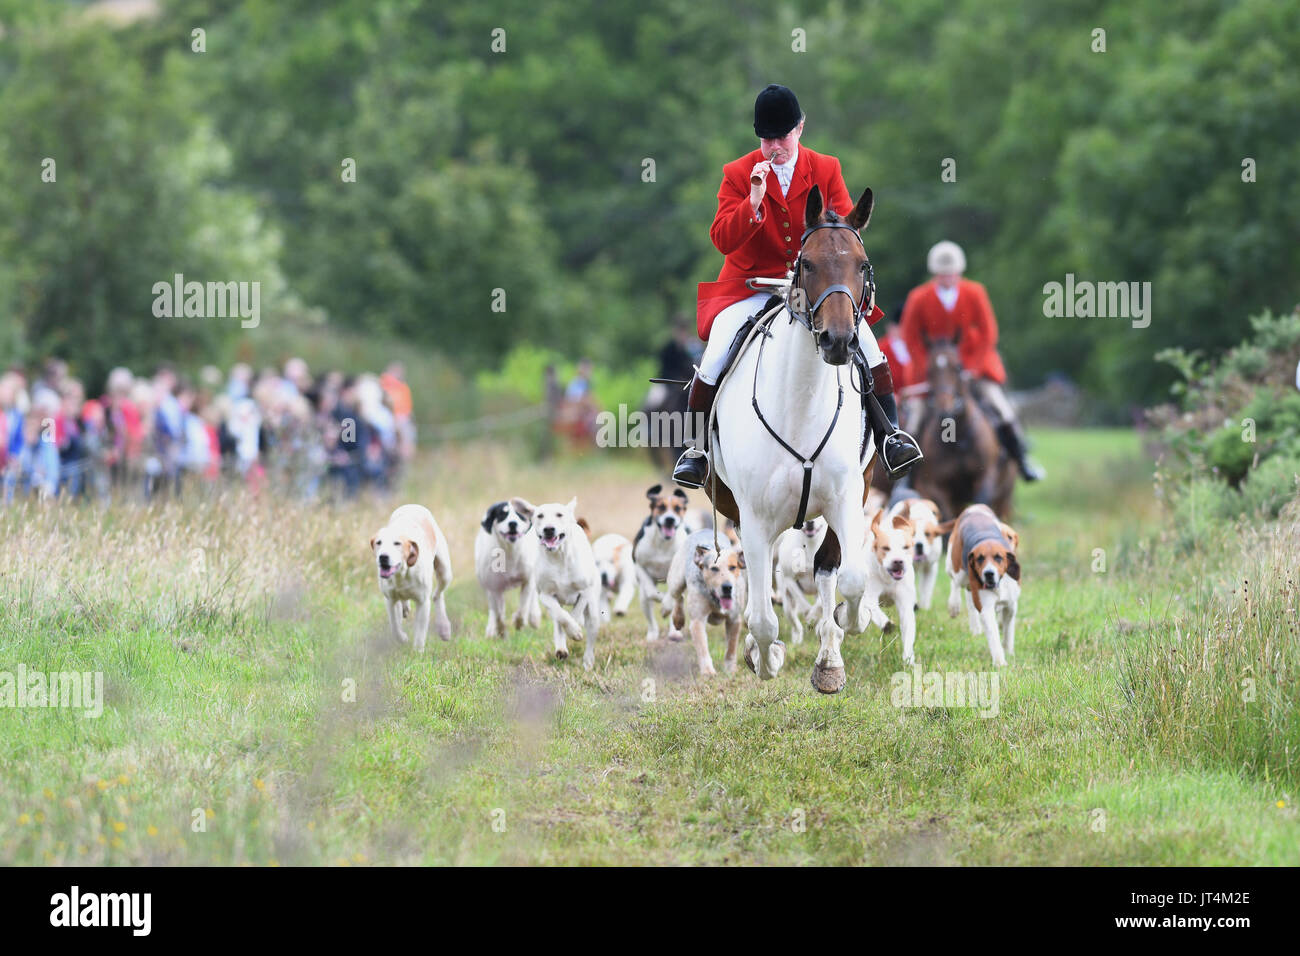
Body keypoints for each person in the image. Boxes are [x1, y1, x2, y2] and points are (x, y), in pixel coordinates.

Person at [673, 84, 921, 488]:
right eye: (767, 138)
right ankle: (696, 450)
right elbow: (721, 239)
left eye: (782, 137)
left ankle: (890, 435)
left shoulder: (826, 167)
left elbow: (844, 234)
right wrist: (753, 203)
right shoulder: (737, 173)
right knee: (716, 353)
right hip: (753, 285)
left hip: (815, 287)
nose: (774, 147)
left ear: (800, 128)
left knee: (868, 346)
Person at [897, 240, 1045, 481]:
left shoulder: (975, 292)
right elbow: (909, 336)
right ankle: (905, 476)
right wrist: (929, 368)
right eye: (943, 274)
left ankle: (1022, 461)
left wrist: (972, 367)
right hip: (934, 372)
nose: (948, 278)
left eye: (951, 273)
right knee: (914, 417)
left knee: (1001, 408)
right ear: (935, 274)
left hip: (973, 367)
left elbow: (988, 333)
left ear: (959, 272)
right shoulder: (918, 297)